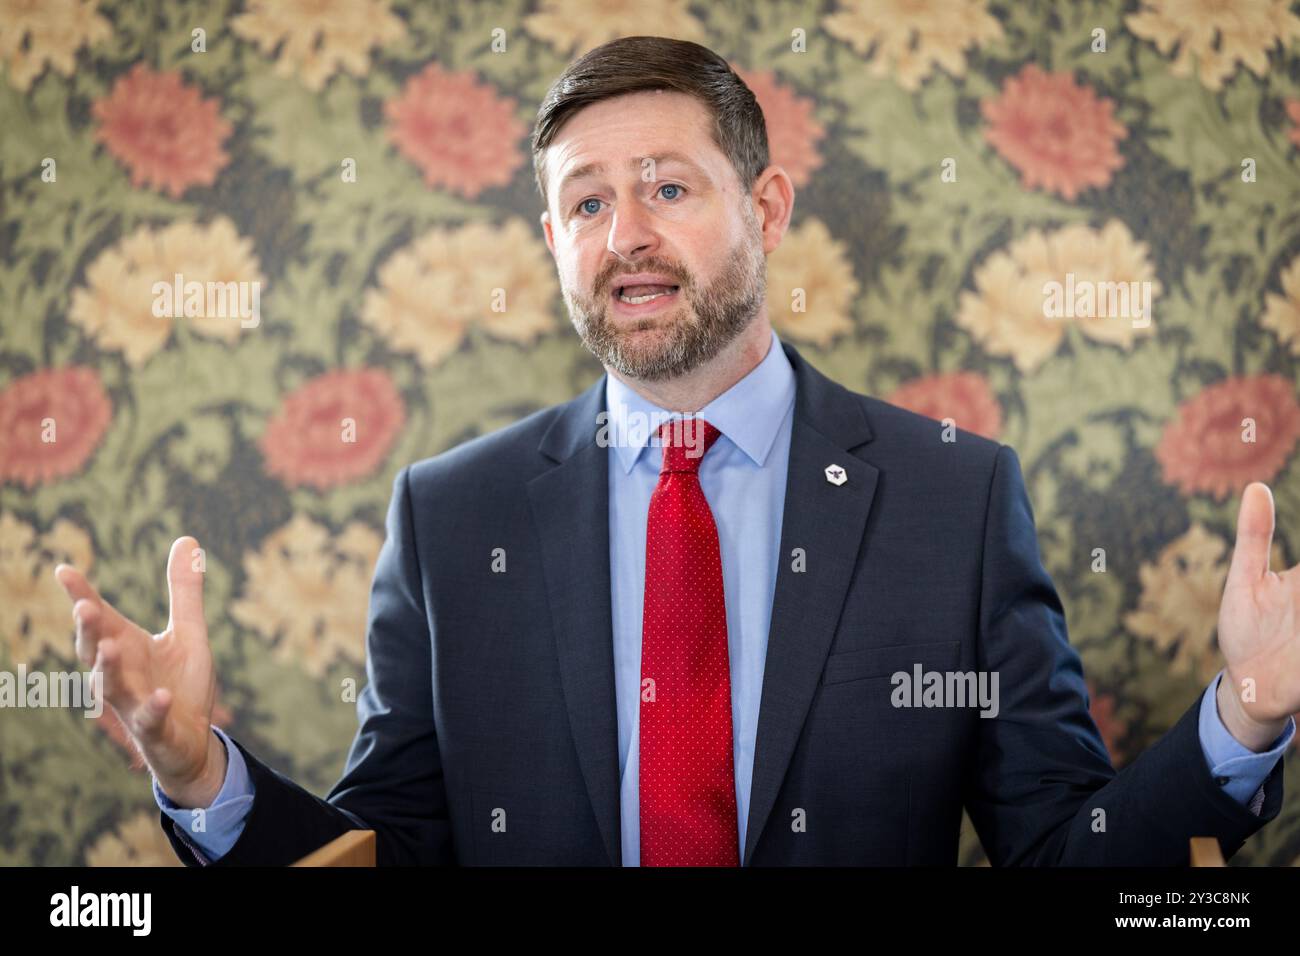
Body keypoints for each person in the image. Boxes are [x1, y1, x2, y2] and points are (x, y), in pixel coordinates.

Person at [55, 36, 1297, 867]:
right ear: (551, 244)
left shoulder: (953, 498)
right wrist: (203, 772)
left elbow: (1057, 850)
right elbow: (393, 851)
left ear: (764, 210)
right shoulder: (450, 516)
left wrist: (1240, 715)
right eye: (585, 203)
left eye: (667, 188)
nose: (624, 234)